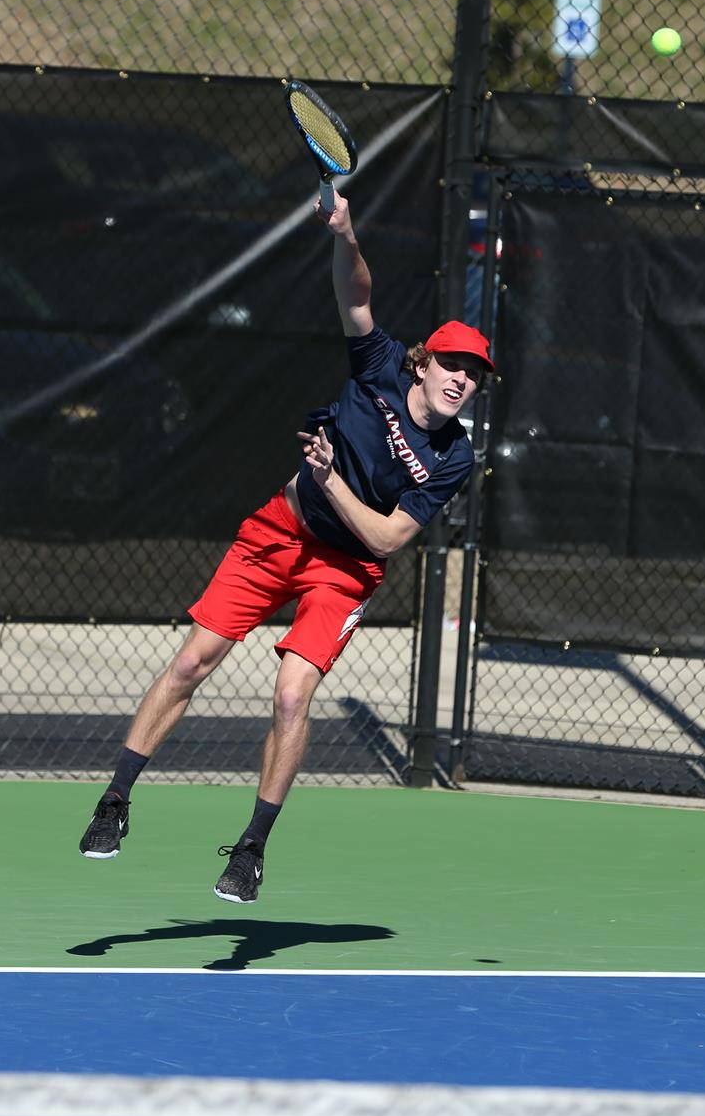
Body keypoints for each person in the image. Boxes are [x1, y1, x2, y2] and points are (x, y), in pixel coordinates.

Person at [75, 193, 492, 904]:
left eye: (475, 372)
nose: (461, 378)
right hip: (279, 532)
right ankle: (114, 799)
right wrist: (346, 232)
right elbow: (355, 294)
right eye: (452, 363)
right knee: (191, 660)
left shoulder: (455, 455)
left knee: (293, 694)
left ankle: (252, 847)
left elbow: (389, 535)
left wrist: (330, 482)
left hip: (347, 569)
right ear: (424, 363)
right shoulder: (381, 365)